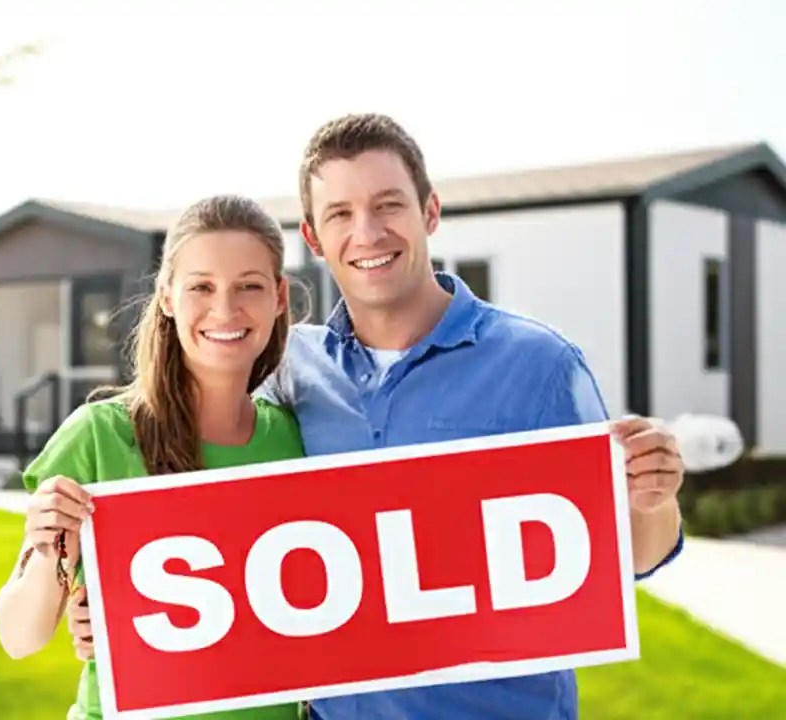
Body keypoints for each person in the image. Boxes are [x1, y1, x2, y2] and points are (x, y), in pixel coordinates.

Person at [64, 113, 686, 720]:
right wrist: (120, 605)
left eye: (388, 205)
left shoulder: (539, 364)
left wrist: (652, 499)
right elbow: (218, 512)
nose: (367, 233)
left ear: (430, 212)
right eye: (340, 213)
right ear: (314, 238)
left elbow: (627, 558)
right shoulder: (287, 370)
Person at [0, 194, 310, 719]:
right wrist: (48, 553)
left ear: (279, 297)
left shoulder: (295, 440)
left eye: (249, 286)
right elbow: (19, 638)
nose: (225, 309)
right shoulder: (101, 436)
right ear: (166, 297)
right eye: (201, 287)